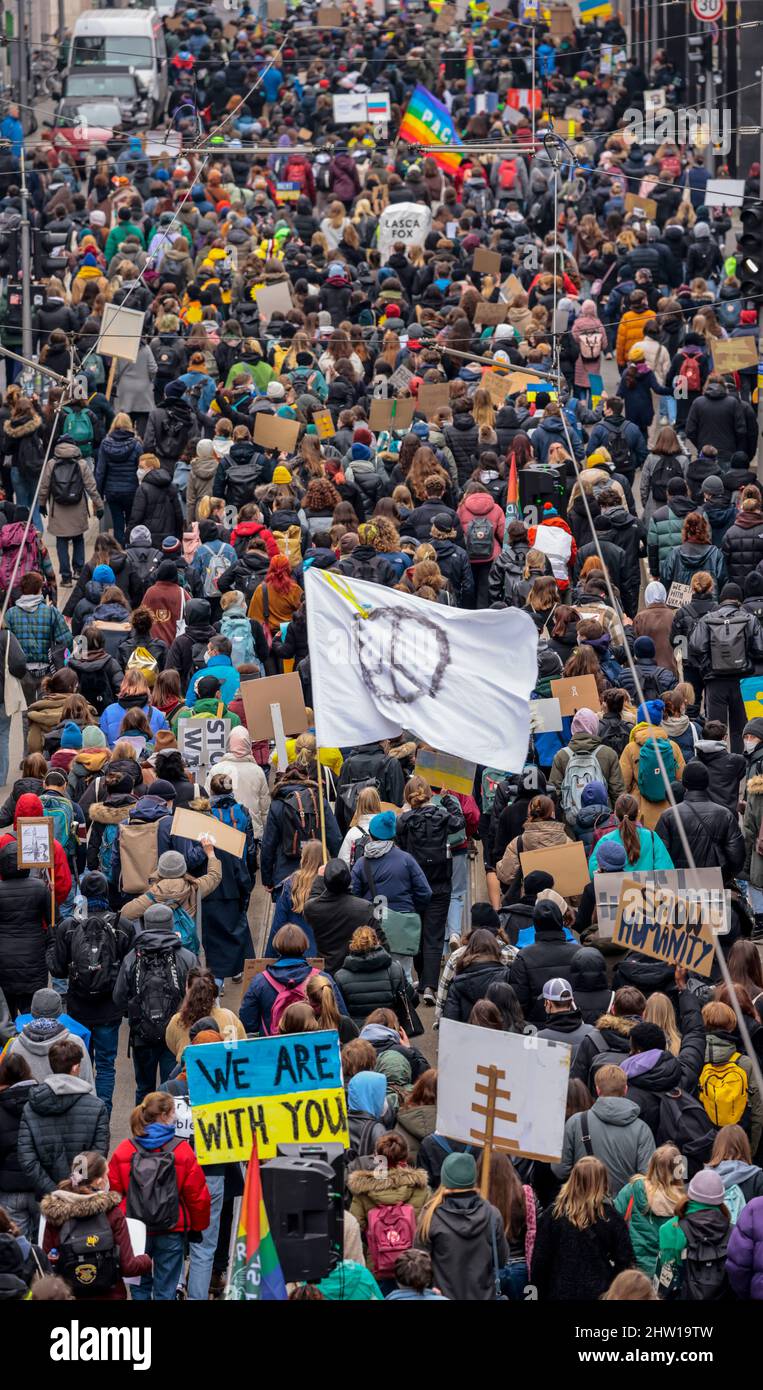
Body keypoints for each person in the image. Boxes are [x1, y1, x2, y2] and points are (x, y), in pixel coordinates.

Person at [108, 1091, 210, 1302]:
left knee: (139, 1289)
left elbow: (113, 1194)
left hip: (135, 1229)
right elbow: (197, 1195)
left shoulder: (125, 1150)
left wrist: (118, 1224)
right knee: (166, 1289)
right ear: (164, 1115)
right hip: (171, 1228)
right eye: (174, 1112)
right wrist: (197, 1227)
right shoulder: (182, 1151)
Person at [48, 870, 134, 1114]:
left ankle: (83, 1112)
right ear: (107, 893)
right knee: (107, 1065)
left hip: (78, 1009)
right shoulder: (122, 926)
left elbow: (58, 971)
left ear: (82, 894)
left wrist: (51, 944)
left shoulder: (69, 927)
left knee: (80, 1063)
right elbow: (130, 968)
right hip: (110, 1009)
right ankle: (103, 1114)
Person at [113, 902, 199, 1103]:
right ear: (171, 925)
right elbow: (198, 996)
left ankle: (142, 1130)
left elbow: (118, 998)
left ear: (145, 925)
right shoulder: (187, 957)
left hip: (142, 1035)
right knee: (173, 1089)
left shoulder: (132, 958)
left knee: (144, 1089)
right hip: (177, 1033)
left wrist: (135, 1013)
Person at [40, 1149, 151, 1300]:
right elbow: (128, 1266)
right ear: (99, 1181)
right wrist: (147, 1261)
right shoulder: (112, 1213)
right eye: (106, 1174)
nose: (108, 1178)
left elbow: (47, 1265)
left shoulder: (57, 1212)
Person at [531, 1156, 634, 1300]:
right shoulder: (611, 1218)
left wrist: (537, 1295)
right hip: (600, 1292)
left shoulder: (553, 1215)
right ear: (602, 1182)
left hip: (559, 1292)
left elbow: (539, 1263)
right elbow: (626, 1263)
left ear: (573, 1179)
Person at [18, 1040, 109, 1199]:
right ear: (75, 1068)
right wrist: (77, 1183)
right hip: (84, 1196)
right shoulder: (97, 1106)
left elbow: (28, 1159)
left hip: (46, 1199)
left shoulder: (31, 1106)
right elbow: (98, 1151)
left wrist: (55, 1190)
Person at [415, 1150, 508, 1301]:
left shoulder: (430, 1216)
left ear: (445, 1179)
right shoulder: (492, 1214)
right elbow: (501, 1260)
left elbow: (419, 1266)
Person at [553, 1063, 655, 1195]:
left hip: (583, 1207)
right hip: (624, 1210)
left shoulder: (576, 1122)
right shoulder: (642, 1129)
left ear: (597, 1090)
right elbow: (647, 1178)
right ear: (625, 1089)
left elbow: (559, 1170)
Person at [348, 1132, 429, 1285]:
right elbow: (425, 1227)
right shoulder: (420, 1187)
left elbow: (356, 1226)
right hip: (413, 1268)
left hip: (377, 1264)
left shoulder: (363, 1190)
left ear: (376, 1157)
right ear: (405, 1157)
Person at [689, 582, 763, 752]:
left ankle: (718, 765)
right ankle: (740, 766)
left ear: (721, 599)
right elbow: (760, 649)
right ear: (740, 600)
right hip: (742, 681)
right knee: (741, 728)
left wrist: (707, 667)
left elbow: (695, 646)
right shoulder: (749, 619)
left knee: (715, 728)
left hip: (715, 682)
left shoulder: (707, 619)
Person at [655, 759, 745, 873]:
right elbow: (737, 856)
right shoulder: (725, 815)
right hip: (714, 881)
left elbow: (659, 856)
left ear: (684, 783)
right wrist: (725, 876)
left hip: (680, 882)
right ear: (707, 782)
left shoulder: (668, 816)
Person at [655, 1168, 731, 1300]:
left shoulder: (671, 1229)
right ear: (721, 1199)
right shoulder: (733, 1232)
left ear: (689, 1193)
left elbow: (665, 1283)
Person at [613, 1144, 685, 1276]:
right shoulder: (684, 1201)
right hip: (667, 1272)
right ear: (679, 1169)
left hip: (634, 1269)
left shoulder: (633, 1189)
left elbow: (613, 1221)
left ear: (651, 1164)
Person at [303, 857, 378, 975]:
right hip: (356, 972)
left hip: (328, 972)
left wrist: (319, 879)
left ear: (325, 882)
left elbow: (313, 901)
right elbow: (381, 942)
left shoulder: (312, 909)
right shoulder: (365, 908)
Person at [335, 925, 414, 1031]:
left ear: (353, 944)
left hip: (358, 1034)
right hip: (388, 1029)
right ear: (377, 941)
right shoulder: (395, 969)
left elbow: (340, 1011)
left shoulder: (340, 976)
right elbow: (411, 999)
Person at [0, 1052, 38, 1237]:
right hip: (41, 1186)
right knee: (46, 1248)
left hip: (10, 1190)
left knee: (17, 1249)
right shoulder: (43, 1103)